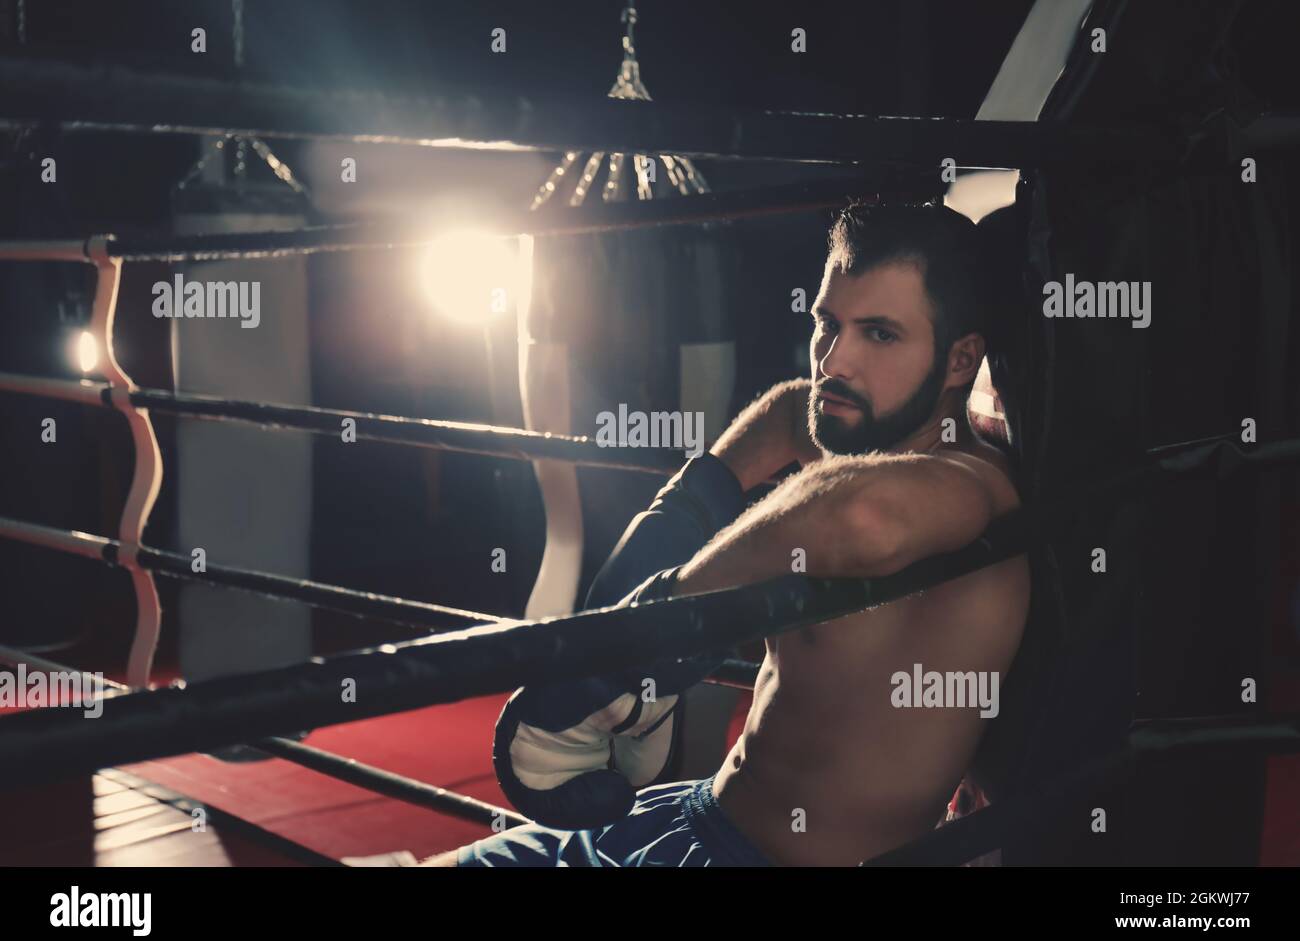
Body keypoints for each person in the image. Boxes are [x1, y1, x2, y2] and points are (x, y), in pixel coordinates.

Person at [365, 201, 1031, 867]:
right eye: (828, 324)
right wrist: (683, 513)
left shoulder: (969, 488)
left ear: (958, 361)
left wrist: (651, 636)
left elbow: (862, 519)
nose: (836, 361)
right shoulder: (869, 426)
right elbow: (783, 413)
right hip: (688, 818)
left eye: (881, 335)